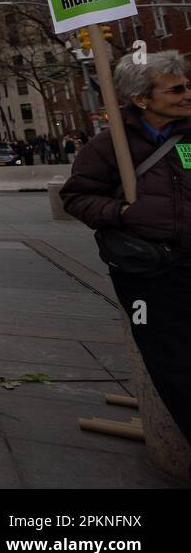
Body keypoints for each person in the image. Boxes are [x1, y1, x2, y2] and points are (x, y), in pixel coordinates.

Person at [59, 50, 191, 454]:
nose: (188, 93)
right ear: (142, 99)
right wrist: (122, 212)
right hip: (152, 274)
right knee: (177, 370)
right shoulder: (109, 145)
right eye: (176, 88)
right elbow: (76, 196)